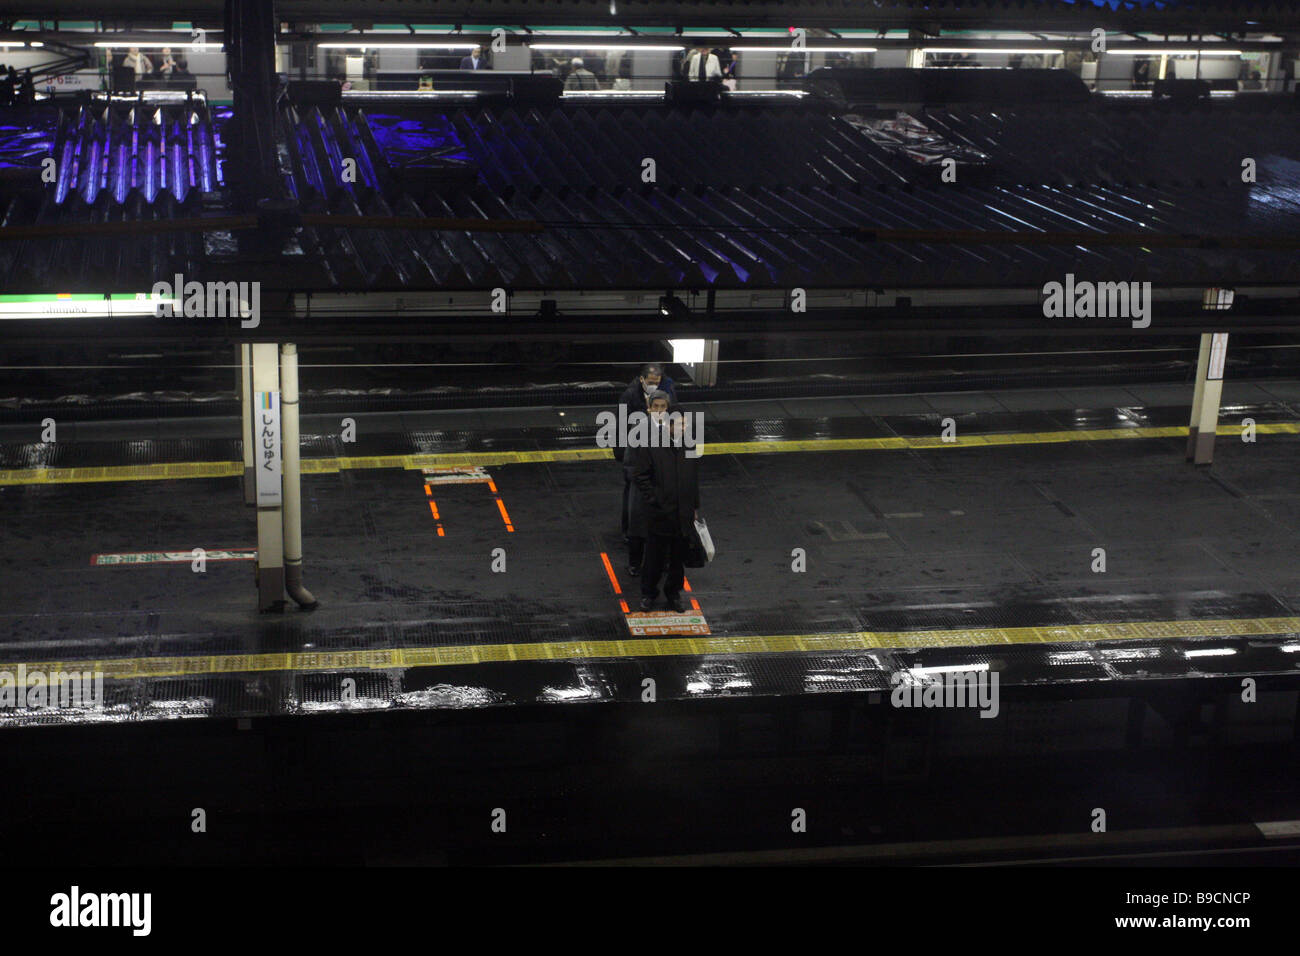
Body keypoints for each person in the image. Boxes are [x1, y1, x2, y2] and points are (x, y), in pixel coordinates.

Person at [630, 403, 701, 612]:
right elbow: (640, 475)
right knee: (654, 557)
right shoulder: (651, 445)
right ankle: (648, 593)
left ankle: (674, 594)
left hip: (683, 513)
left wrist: (694, 506)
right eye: (680, 424)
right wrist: (655, 500)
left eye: (685, 423)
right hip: (660, 514)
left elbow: (693, 477)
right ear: (668, 425)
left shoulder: (689, 444)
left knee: (678, 559)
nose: (684, 427)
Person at [614, 363, 676, 547]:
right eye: (650, 382)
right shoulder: (630, 395)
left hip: (657, 452)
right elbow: (622, 426)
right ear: (642, 380)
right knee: (632, 496)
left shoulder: (667, 389)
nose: (653, 386)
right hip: (636, 452)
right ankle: (629, 531)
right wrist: (622, 453)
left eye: (656, 382)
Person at [624, 389, 671, 576]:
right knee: (637, 528)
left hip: (664, 489)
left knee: (664, 528)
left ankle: (663, 561)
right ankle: (635, 563)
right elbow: (629, 461)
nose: (659, 410)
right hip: (642, 489)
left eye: (663, 407)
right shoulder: (639, 430)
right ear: (649, 408)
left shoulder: (673, 428)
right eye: (655, 406)